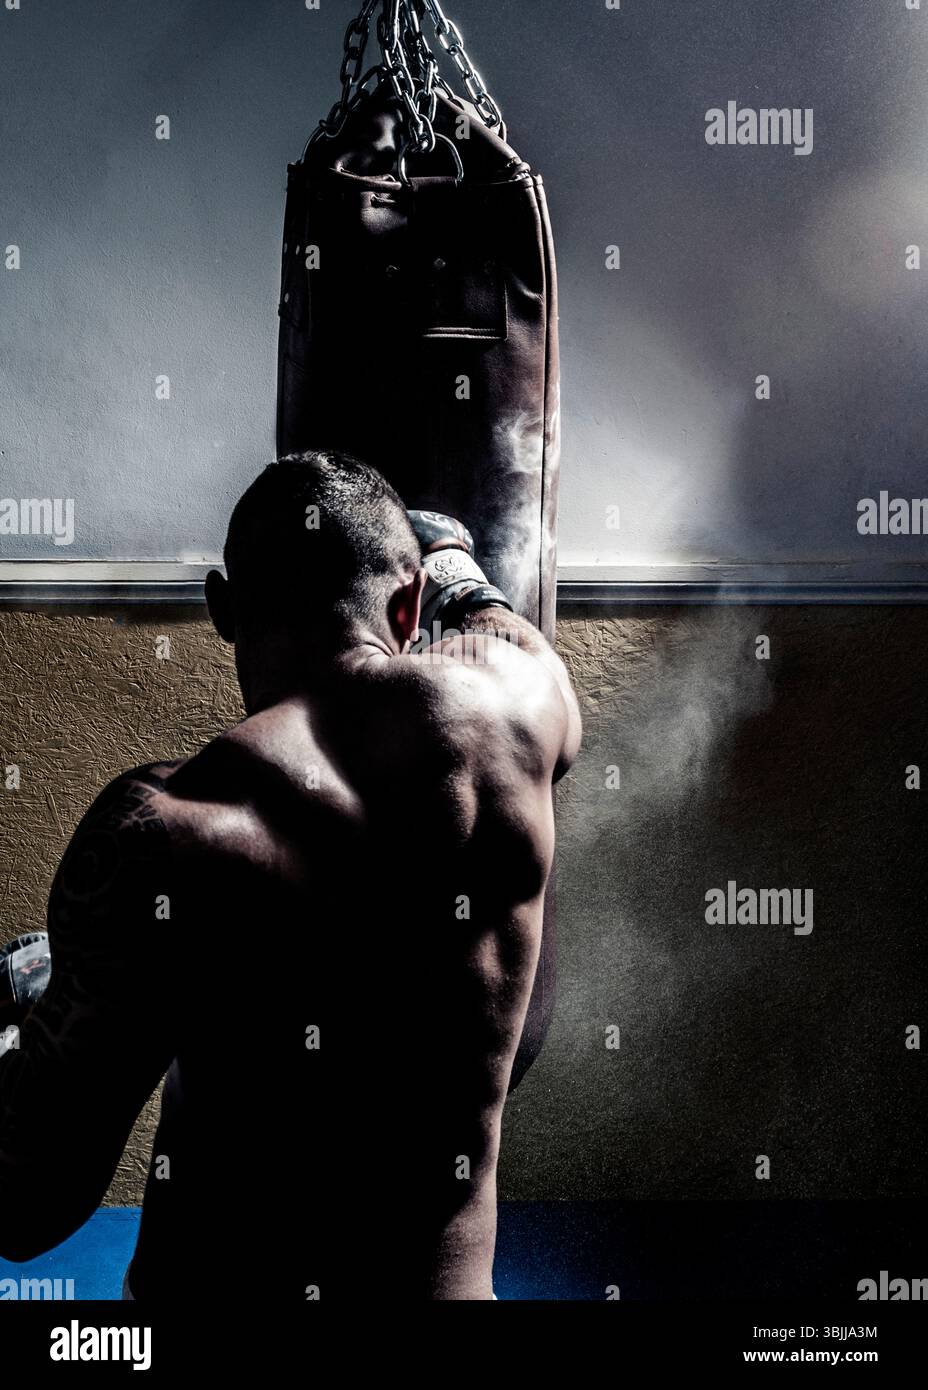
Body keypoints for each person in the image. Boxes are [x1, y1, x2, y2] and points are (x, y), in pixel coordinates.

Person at [0, 450, 580, 1301]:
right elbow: (515, 642)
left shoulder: (166, 827)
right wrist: (452, 563)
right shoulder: (517, 714)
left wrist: (25, 1012)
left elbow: (25, 1206)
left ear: (223, 609)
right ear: (410, 604)